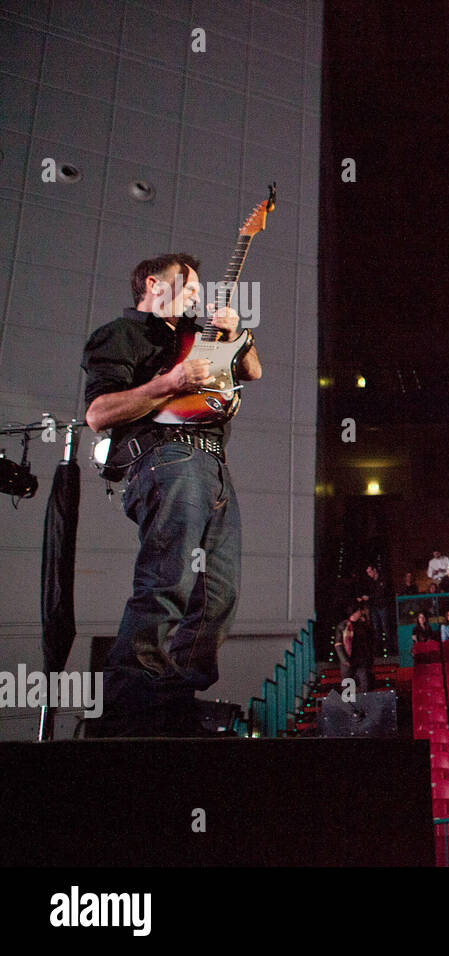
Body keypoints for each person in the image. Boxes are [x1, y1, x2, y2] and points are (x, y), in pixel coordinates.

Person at [82, 253, 261, 737]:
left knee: (218, 595)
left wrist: (237, 331)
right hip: (166, 459)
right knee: (167, 583)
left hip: (215, 467)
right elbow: (99, 413)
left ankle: (172, 699)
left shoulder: (195, 336)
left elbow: (252, 371)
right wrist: (170, 382)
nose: (195, 295)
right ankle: (127, 710)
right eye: (188, 286)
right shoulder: (121, 335)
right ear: (153, 282)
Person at [333, 603, 374, 693]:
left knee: (364, 681)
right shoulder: (343, 625)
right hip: (349, 657)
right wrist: (344, 659)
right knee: (348, 682)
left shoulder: (362, 625)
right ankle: (349, 703)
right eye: (359, 611)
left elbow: (368, 639)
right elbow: (338, 644)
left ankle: (364, 701)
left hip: (361, 657)